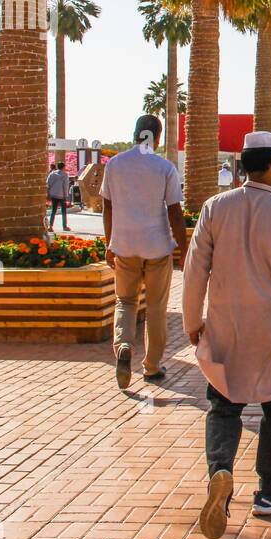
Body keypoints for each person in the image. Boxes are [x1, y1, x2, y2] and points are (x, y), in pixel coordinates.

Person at [184, 132, 271, 533]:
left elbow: (195, 270)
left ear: (244, 163)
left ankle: (221, 470)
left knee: (223, 404)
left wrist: (192, 322)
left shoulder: (214, 208)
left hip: (226, 328)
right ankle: (270, 492)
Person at [102, 114, 187, 389]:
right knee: (156, 308)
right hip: (157, 247)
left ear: (135, 133)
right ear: (158, 137)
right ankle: (151, 366)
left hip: (124, 245)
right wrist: (184, 248)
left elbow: (107, 206)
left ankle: (124, 344)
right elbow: (175, 211)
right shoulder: (164, 167)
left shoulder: (114, 165)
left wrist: (109, 243)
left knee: (124, 301)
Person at [47, 162, 73, 231]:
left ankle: (50, 226)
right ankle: (64, 226)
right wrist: (66, 195)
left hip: (53, 194)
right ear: (63, 167)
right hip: (61, 195)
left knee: (53, 210)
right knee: (63, 211)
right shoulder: (65, 175)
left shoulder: (52, 174)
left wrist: (49, 193)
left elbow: (48, 183)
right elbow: (65, 186)